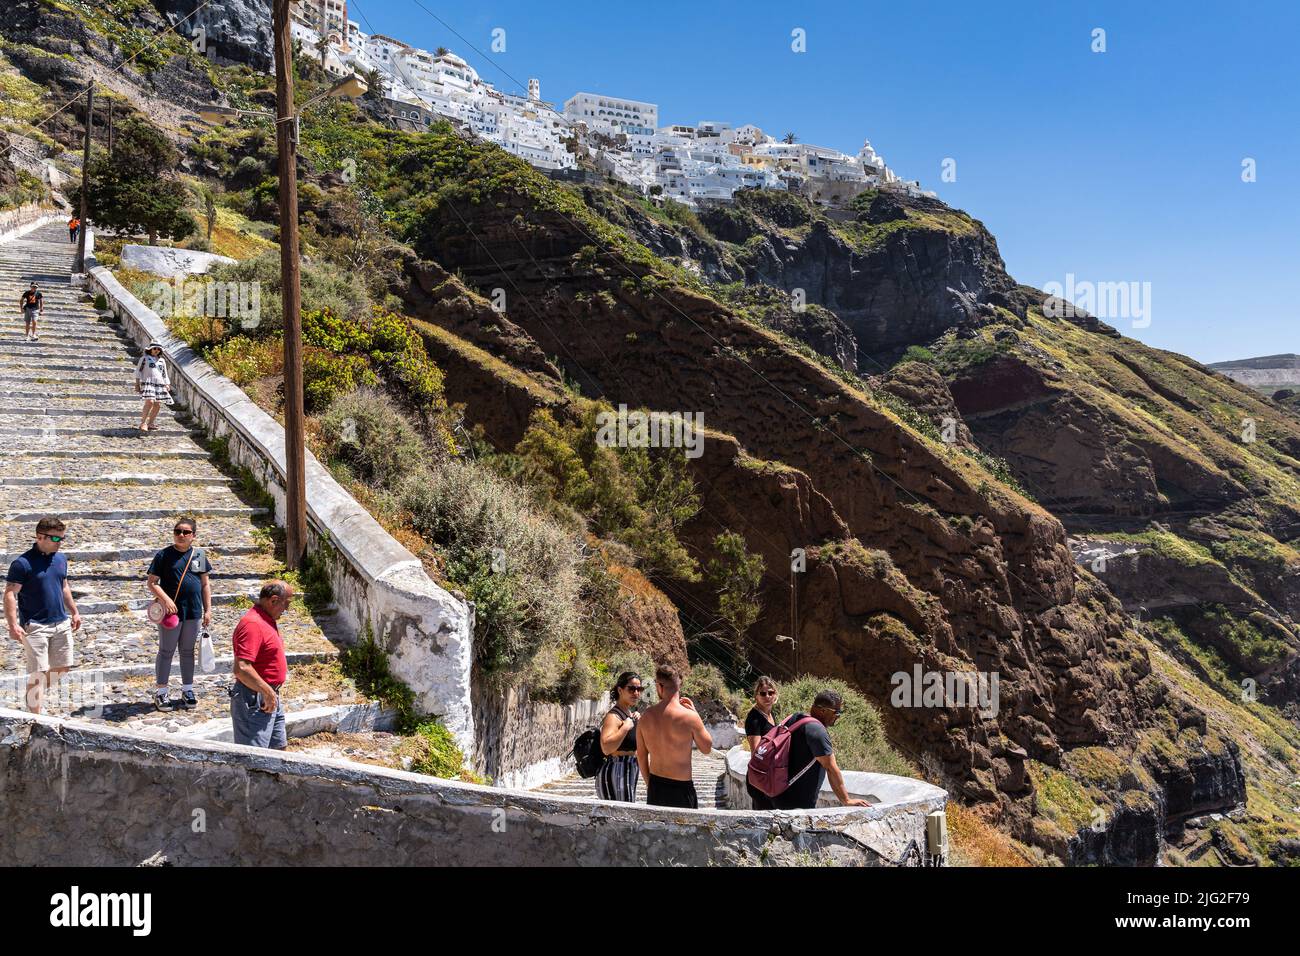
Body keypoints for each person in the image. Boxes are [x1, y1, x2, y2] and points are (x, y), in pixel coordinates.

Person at [3, 518, 82, 714]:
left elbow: (64, 586)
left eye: (62, 538)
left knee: (63, 667)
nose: (59, 542)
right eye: (55, 537)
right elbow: (10, 594)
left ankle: (32, 694)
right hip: (35, 625)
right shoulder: (22, 564)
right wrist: (13, 624)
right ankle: (36, 719)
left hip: (61, 622)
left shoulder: (61, 559)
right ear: (40, 537)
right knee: (38, 673)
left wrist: (74, 611)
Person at [145, 517, 212, 710]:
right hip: (171, 612)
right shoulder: (164, 555)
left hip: (193, 610)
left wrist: (208, 609)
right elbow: (152, 582)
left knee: (187, 651)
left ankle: (188, 689)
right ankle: (161, 692)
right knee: (166, 651)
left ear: (193, 536)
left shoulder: (198, 556)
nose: (181, 535)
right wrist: (166, 600)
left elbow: (204, 584)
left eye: (185, 532)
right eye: (177, 532)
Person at [771, 689, 870, 810]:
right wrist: (846, 800)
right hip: (796, 803)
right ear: (823, 710)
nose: (837, 717)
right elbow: (831, 768)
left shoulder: (796, 718)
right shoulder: (817, 731)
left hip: (777, 794)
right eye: (836, 712)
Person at [635, 664, 712, 809]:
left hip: (656, 787)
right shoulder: (689, 717)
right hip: (682, 789)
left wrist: (649, 784)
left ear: (659, 686)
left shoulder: (646, 717)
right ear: (679, 686)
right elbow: (706, 748)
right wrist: (696, 714)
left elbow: (641, 756)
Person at [229, 580, 293, 749]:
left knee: (278, 752)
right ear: (273, 600)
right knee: (255, 759)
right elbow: (242, 668)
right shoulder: (252, 624)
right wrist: (267, 692)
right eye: (286, 604)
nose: (286, 610)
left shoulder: (266, 619)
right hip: (256, 698)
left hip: (269, 695)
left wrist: (271, 693)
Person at [596, 671, 643, 802]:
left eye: (639, 689)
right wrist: (625, 727)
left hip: (628, 770)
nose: (636, 693)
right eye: (632, 688)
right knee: (621, 817)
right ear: (620, 690)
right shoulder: (613, 716)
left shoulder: (629, 714)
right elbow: (606, 747)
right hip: (616, 771)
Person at [744, 675, 781, 810]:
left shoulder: (772, 714)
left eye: (770, 693)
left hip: (769, 775)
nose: (767, 696)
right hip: (760, 777)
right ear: (756, 696)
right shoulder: (754, 719)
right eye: (763, 693)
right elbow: (757, 753)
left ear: (775, 694)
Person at [134, 342, 172, 433]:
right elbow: (138, 371)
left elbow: (164, 373)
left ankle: (151, 423)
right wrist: (137, 384)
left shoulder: (162, 361)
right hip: (148, 382)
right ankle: (143, 423)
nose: (156, 350)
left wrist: (167, 384)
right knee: (150, 401)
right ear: (150, 349)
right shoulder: (144, 359)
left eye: (158, 349)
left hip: (159, 384)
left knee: (157, 405)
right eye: (155, 348)